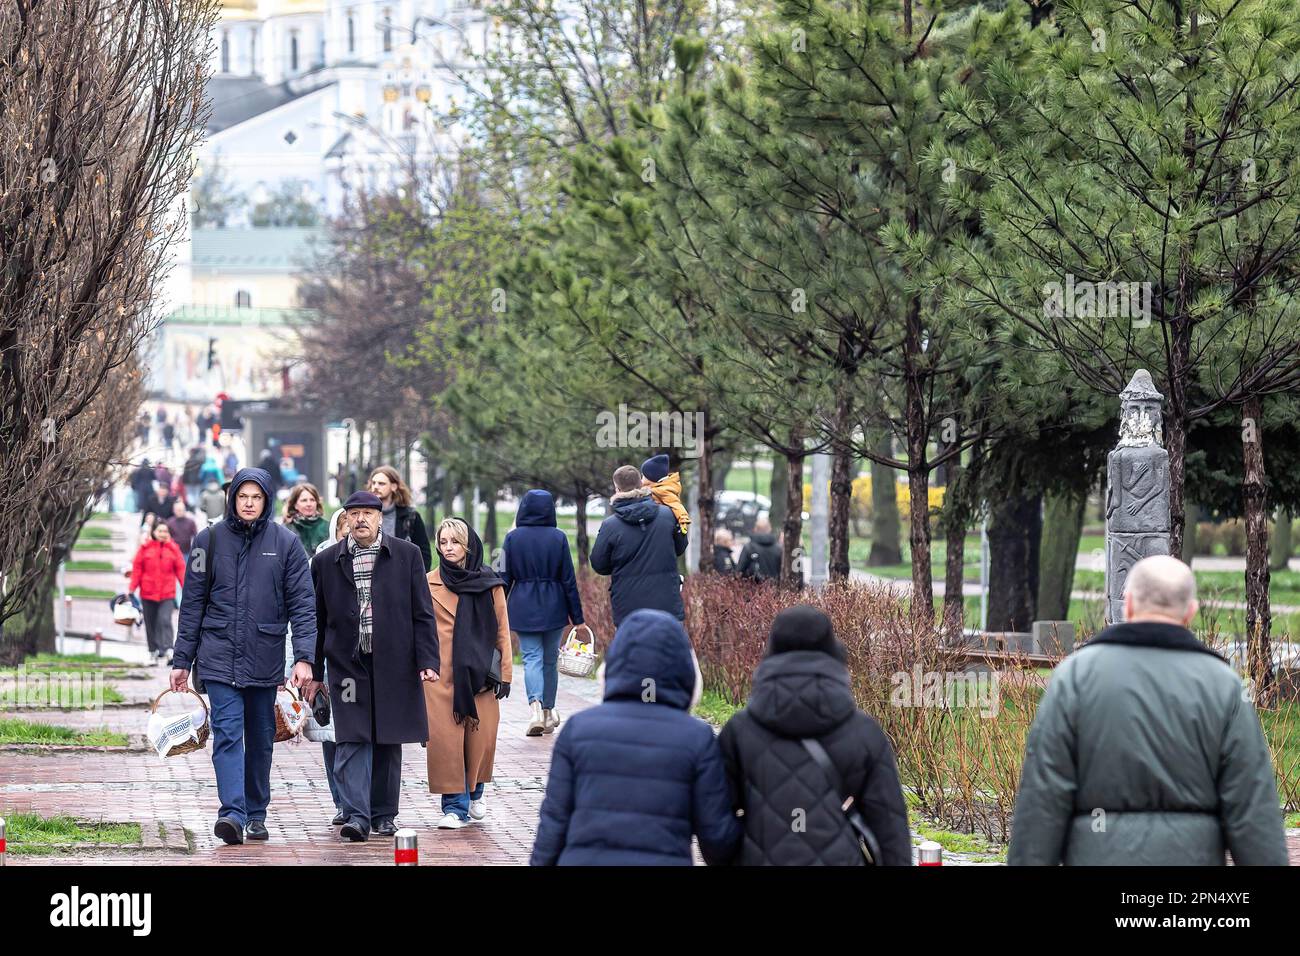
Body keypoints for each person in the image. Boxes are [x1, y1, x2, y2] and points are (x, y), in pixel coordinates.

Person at [1008, 555, 1288, 866]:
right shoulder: (1224, 687)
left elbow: (1041, 802)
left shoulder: (1074, 678)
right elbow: (1252, 810)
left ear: (1127, 605)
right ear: (1190, 613)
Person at [171, 467, 317, 846]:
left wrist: (304, 657)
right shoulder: (208, 541)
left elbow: (303, 604)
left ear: (266, 501)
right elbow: (192, 604)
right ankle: (232, 814)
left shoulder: (285, 544)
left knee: (261, 738)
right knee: (227, 735)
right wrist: (181, 660)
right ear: (232, 499)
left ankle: (256, 813)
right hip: (218, 656)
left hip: (264, 657)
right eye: (242, 496)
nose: (249, 503)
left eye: (256, 497)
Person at [530, 609, 740, 865]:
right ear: (685, 671)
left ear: (614, 666)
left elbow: (553, 827)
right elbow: (717, 841)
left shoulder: (579, 731)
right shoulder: (696, 739)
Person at [718, 606, 912, 865]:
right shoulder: (864, 732)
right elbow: (891, 829)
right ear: (833, 652)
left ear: (771, 652)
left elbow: (715, 825)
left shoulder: (738, 732)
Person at [311, 492, 440, 841]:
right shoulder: (326, 562)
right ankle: (356, 815)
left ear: (380, 518)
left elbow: (422, 613)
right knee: (352, 738)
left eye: (368, 513)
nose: (361, 520)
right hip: (346, 665)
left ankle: (384, 815)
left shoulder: (407, 556)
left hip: (394, 661)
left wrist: (428, 660)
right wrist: (313, 670)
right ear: (346, 519)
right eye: (354, 514)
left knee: (387, 738)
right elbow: (318, 622)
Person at [425, 517, 512, 829]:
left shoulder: (489, 583)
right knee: (446, 742)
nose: (448, 548)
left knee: (478, 740)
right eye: (444, 542)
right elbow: (420, 629)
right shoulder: (428, 581)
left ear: (468, 545)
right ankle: (454, 807)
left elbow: (502, 630)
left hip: (480, 675)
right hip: (441, 675)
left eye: (455, 542)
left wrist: (505, 674)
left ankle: (476, 792)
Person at [499, 489, 587, 737]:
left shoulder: (512, 538)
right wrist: (577, 619)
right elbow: (569, 580)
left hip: (523, 606)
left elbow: (502, 578)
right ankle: (549, 711)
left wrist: (494, 609)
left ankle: (535, 708)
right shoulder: (558, 538)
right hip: (554, 605)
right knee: (550, 661)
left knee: (531, 659)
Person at [589, 464, 688, 627]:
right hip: (666, 603)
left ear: (617, 488)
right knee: (666, 651)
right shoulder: (667, 515)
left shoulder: (610, 526)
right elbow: (680, 547)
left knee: (633, 652)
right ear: (641, 484)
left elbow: (599, 565)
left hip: (628, 606)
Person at [129, 521, 186, 663]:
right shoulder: (145, 548)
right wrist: (132, 588)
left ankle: (169, 650)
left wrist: (187, 587)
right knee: (150, 623)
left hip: (167, 593)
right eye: (160, 531)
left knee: (165, 619)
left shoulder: (173, 549)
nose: (163, 534)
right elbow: (137, 569)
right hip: (147, 593)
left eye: (165, 531)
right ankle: (152, 652)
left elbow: (181, 569)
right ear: (153, 532)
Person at [368, 465, 432, 572]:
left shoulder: (411, 517)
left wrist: (418, 580)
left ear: (394, 486)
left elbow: (424, 553)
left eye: (381, 483)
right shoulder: (363, 515)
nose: (375, 487)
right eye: (373, 483)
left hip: (403, 577)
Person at [640, 453, 691, 536]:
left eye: (643, 476)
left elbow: (676, 505)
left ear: (651, 477)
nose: (641, 479)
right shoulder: (653, 489)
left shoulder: (664, 491)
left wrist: (683, 520)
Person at [284, 482, 329, 555]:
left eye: (312, 500)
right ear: (295, 504)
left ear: (317, 503)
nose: (309, 504)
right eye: (304, 500)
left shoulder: (327, 527)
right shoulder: (286, 529)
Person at [737, 517, 782, 582]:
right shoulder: (779, 548)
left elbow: (739, 572)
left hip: (753, 590)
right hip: (775, 589)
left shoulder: (749, 548)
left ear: (755, 529)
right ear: (770, 529)